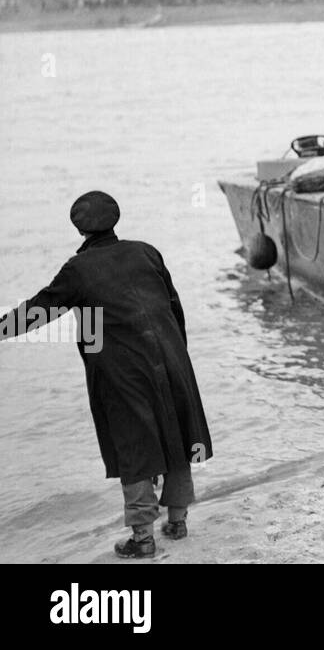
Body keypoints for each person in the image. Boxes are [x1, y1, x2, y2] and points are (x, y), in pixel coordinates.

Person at [0, 192, 213, 559]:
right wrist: (178, 352)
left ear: (79, 228)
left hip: (122, 369)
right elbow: (174, 305)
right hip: (170, 354)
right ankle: (177, 522)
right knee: (176, 433)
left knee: (135, 445)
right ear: (114, 220)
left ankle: (143, 538)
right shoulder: (147, 251)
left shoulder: (78, 270)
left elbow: (40, 310)